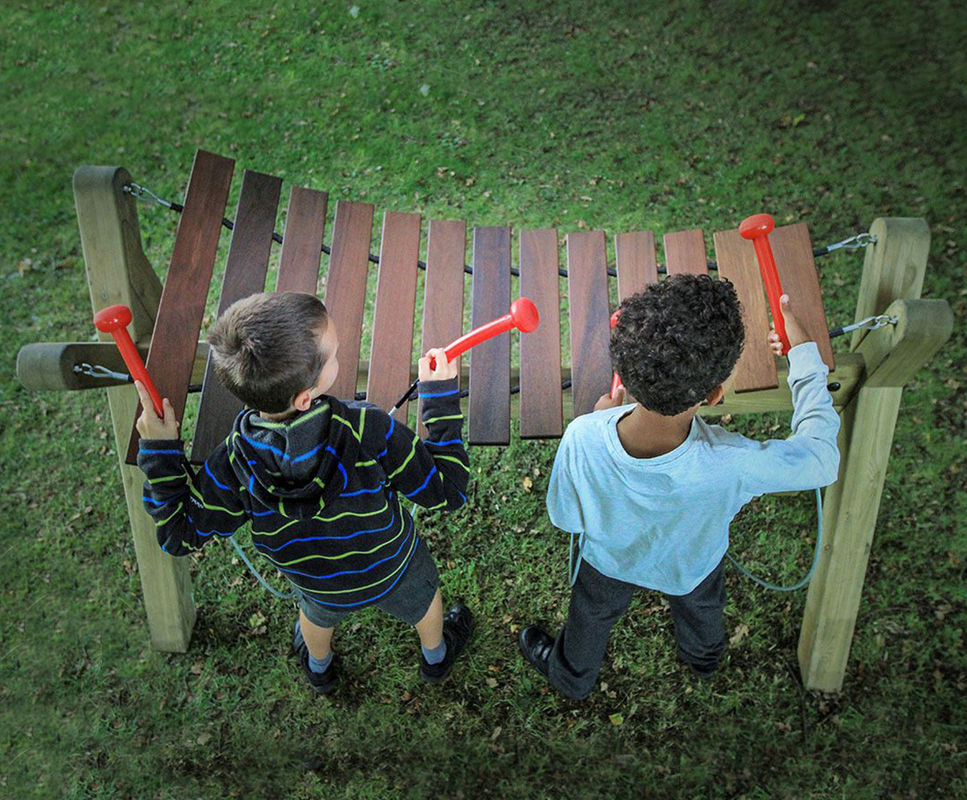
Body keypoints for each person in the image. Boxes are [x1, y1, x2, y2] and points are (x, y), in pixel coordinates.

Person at [134, 291, 474, 695]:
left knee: (315, 617)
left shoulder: (231, 464)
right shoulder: (368, 430)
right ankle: (436, 656)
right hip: (393, 568)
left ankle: (319, 667)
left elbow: (178, 533)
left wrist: (158, 451)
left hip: (317, 584)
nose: (339, 354)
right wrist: (438, 399)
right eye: (333, 356)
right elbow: (449, 490)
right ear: (304, 398)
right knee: (424, 601)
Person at [518, 274, 840, 700]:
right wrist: (802, 358)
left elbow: (566, 517)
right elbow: (820, 458)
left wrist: (598, 419)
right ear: (715, 394)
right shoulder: (733, 462)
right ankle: (703, 660)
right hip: (692, 567)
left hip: (607, 564)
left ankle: (571, 677)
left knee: (589, 616)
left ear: (626, 376)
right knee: (703, 610)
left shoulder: (582, 435)